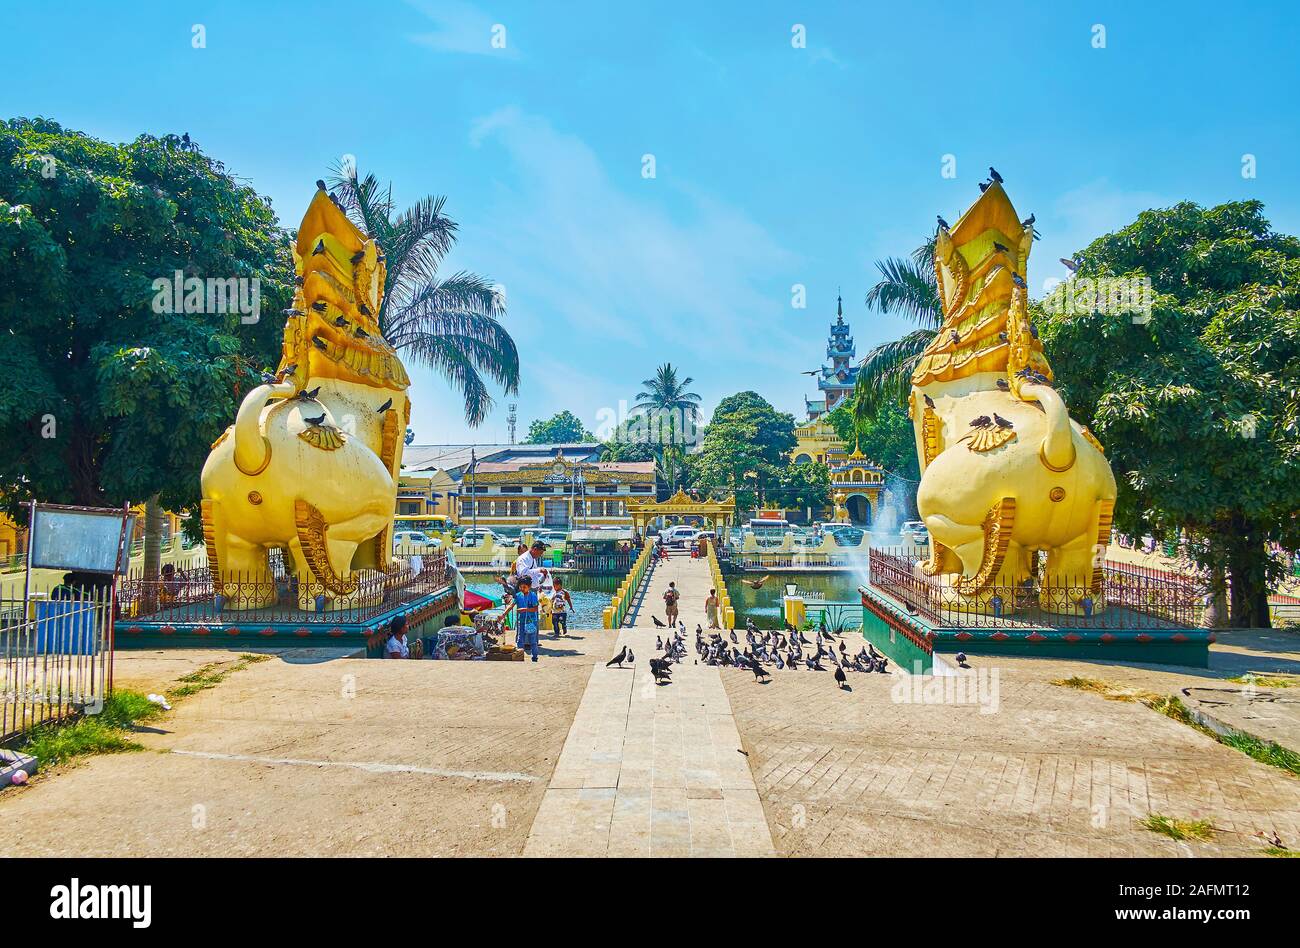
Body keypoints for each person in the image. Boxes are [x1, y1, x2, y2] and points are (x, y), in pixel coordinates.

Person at [506, 576, 541, 662]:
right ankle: (519, 656)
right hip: (521, 621)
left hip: (532, 621)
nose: (522, 589)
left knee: (532, 640)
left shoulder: (533, 596)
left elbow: (535, 609)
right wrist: (503, 614)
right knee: (520, 640)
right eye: (521, 587)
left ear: (529, 587)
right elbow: (511, 605)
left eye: (524, 587)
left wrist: (524, 609)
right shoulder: (518, 595)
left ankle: (535, 657)